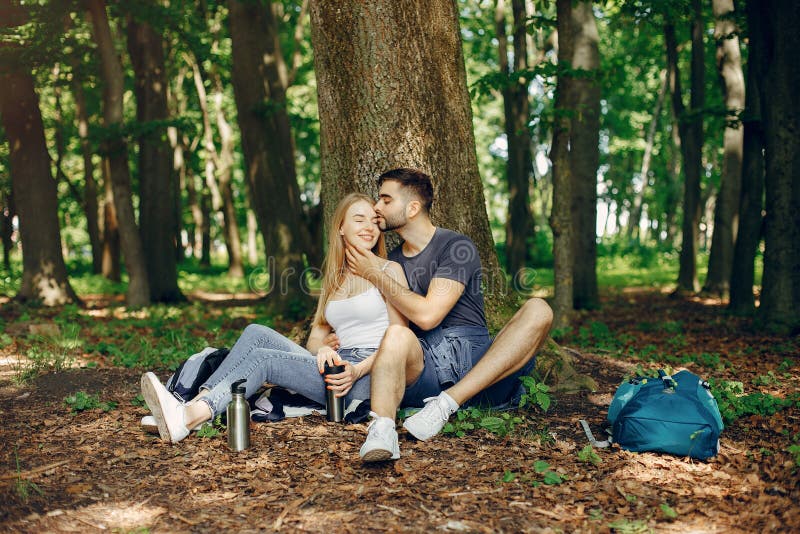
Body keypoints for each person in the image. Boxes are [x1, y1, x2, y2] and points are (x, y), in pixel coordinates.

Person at [140, 193, 410, 443]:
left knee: (265, 359)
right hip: (336, 367)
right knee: (257, 332)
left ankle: (188, 418)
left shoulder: (389, 270)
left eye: (374, 221)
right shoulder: (335, 279)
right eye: (359, 219)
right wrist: (324, 348)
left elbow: (399, 337)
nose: (369, 227)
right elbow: (316, 335)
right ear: (340, 227)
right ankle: (194, 405)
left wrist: (357, 369)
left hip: (367, 375)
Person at [344, 168, 553, 462]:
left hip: (482, 370)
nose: (377, 208)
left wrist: (375, 276)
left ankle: (447, 404)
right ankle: (383, 430)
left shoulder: (456, 247)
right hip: (426, 370)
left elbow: (429, 315)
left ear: (413, 207)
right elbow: (395, 327)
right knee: (395, 335)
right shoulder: (391, 263)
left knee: (539, 308)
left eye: (385, 200)